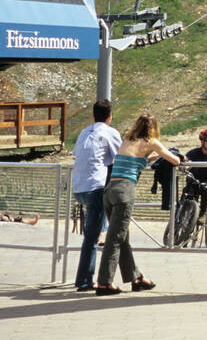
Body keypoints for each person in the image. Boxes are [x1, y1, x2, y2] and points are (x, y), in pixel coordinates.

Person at [96, 113, 179, 295]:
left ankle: (137, 278)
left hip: (109, 191)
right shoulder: (152, 142)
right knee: (114, 240)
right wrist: (171, 156)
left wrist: (154, 158)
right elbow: (175, 160)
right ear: (153, 128)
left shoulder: (128, 139)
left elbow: (135, 160)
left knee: (122, 238)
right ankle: (104, 283)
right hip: (125, 191)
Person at [71, 99, 122, 292]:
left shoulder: (84, 132)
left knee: (96, 231)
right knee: (91, 239)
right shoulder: (110, 133)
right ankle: (84, 280)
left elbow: (77, 156)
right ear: (110, 116)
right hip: (95, 188)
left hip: (79, 188)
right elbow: (121, 156)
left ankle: (93, 275)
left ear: (93, 115)